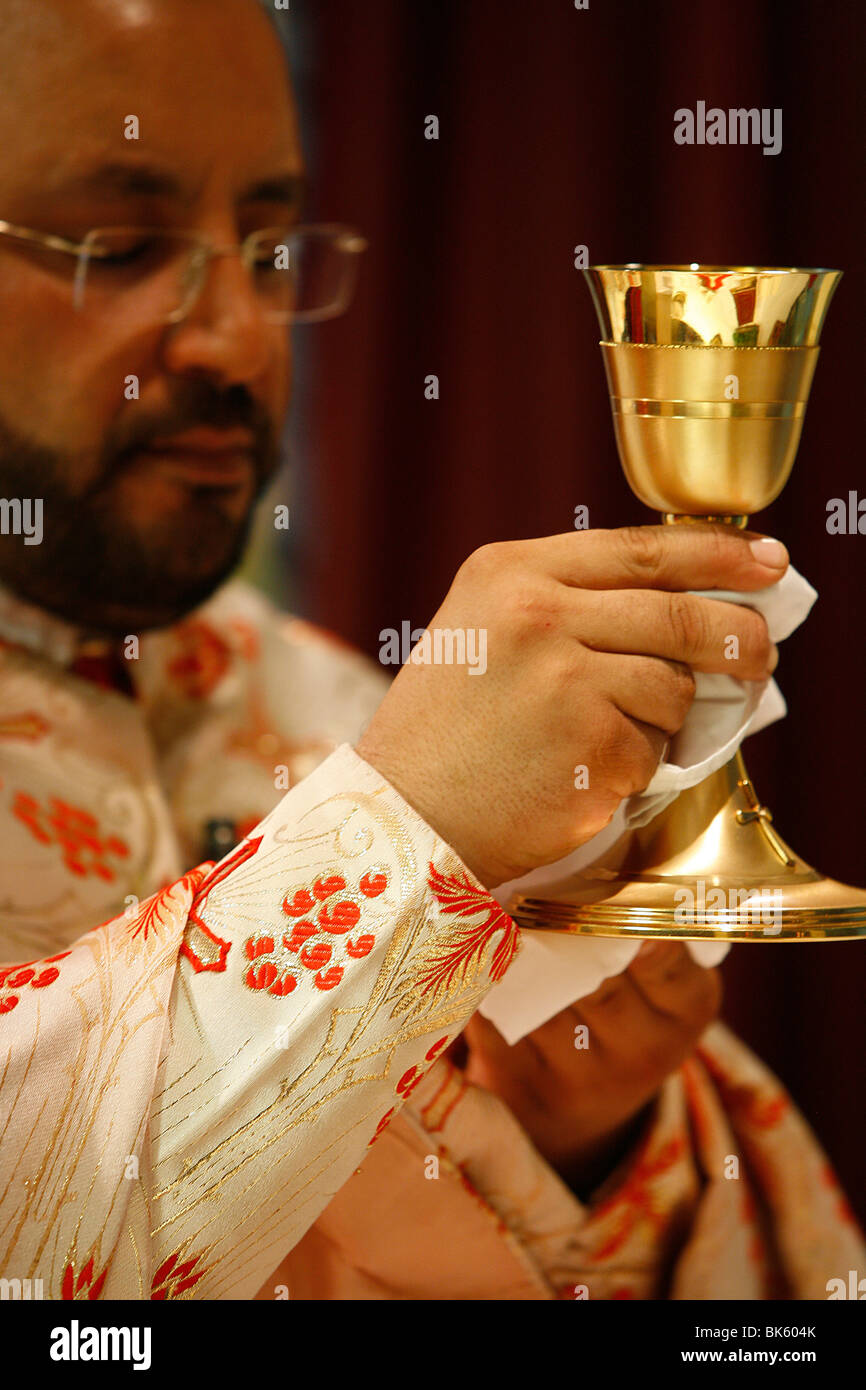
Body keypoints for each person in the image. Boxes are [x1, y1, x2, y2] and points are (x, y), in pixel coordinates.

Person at [0, 0, 861, 1301]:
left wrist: (584, 1131)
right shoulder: (406, 758)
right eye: (119, 245)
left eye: (275, 247)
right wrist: (397, 833)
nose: (240, 338)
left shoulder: (321, 697)